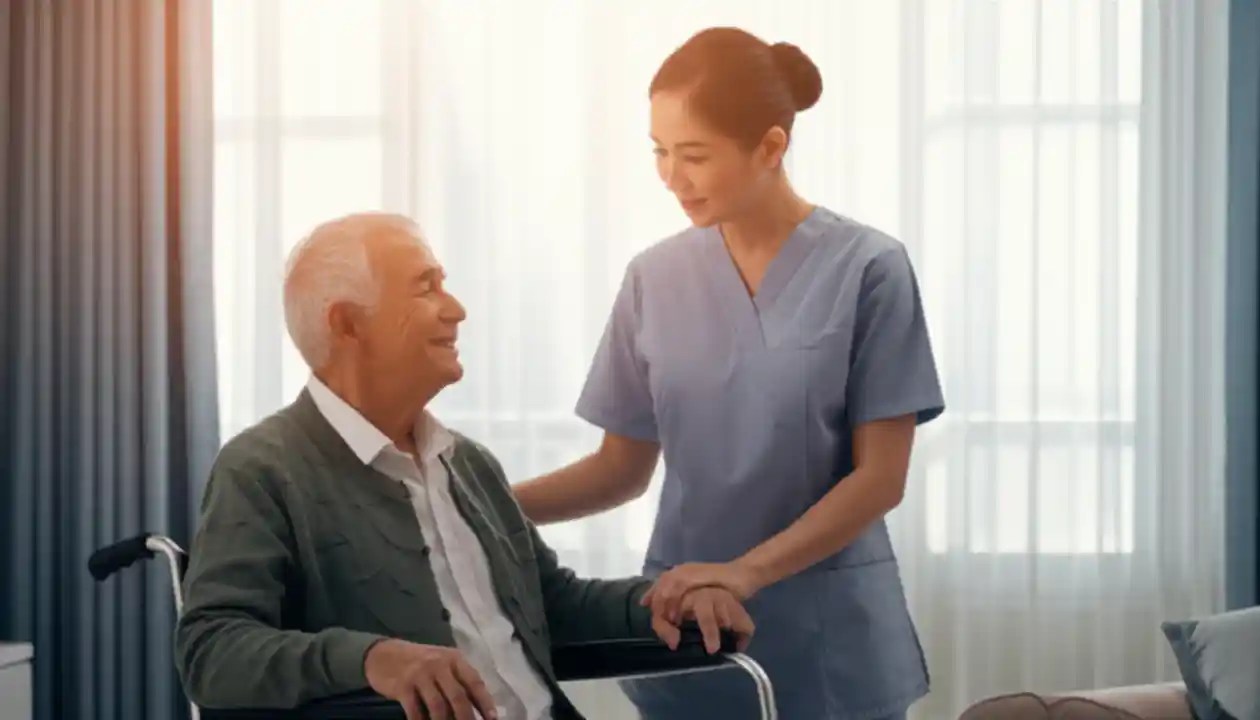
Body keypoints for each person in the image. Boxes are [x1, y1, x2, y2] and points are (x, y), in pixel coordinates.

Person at [512, 27, 944, 720]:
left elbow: (880, 478)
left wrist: (748, 572)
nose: (671, 177)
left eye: (694, 156)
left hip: (831, 644)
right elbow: (620, 470)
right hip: (688, 634)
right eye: (658, 152)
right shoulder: (653, 278)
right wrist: (481, 504)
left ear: (771, 148)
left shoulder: (868, 269)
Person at [174, 212, 755, 720]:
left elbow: (551, 605)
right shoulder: (263, 469)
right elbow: (213, 650)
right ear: (347, 323)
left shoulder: (468, 463)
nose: (456, 309)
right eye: (426, 288)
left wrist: (663, 601)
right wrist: (373, 658)